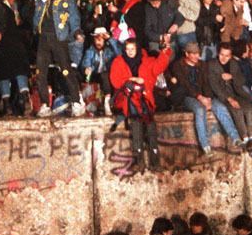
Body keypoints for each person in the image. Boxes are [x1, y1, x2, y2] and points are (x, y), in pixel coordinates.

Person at [15, 0, 85, 117]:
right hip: (43, 39)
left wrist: (77, 34)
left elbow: (74, 21)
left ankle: (76, 101)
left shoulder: (67, 2)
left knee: (66, 70)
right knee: (41, 72)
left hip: (59, 39)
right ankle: (45, 104)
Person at [109, 35, 173, 172]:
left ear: (137, 49)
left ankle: (155, 163)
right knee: (136, 129)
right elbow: (115, 80)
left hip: (145, 99)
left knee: (151, 130)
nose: (130, 51)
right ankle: (139, 162)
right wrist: (131, 80)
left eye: (132, 49)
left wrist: (164, 52)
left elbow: (159, 67)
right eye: (127, 49)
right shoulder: (118, 62)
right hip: (130, 99)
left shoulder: (146, 61)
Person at [167, 41, 241, 155]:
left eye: (198, 53)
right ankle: (206, 146)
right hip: (188, 96)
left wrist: (208, 98)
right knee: (200, 110)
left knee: (220, 107)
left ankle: (235, 138)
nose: (197, 56)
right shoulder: (178, 65)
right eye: (194, 54)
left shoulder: (202, 64)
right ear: (187, 54)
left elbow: (206, 83)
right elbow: (185, 84)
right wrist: (200, 97)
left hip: (204, 96)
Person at [208, 42, 252, 152]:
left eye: (227, 55)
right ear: (218, 53)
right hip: (222, 96)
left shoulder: (234, 63)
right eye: (221, 54)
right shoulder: (212, 65)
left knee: (249, 108)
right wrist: (229, 99)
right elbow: (214, 86)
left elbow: (242, 80)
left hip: (236, 93)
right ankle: (246, 140)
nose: (223, 58)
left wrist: (232, 77)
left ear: (231, 55)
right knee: (236, 109)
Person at [81, 27, 121, 116]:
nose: (98, 42)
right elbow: (86, 62)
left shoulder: (110, 50)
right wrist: (87, 68)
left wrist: (110, 39)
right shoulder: (90, 50)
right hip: (95, 75)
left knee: (105, 75)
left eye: (101, 39)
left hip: (108, 75)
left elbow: (119, 55)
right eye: (96, 39)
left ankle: (107, 102)